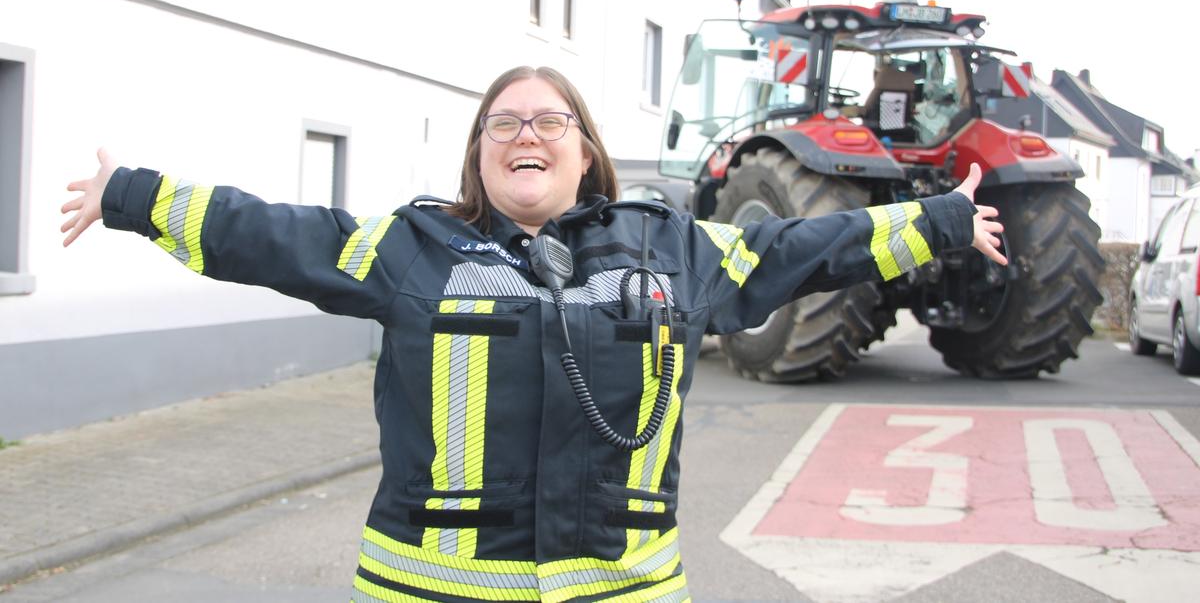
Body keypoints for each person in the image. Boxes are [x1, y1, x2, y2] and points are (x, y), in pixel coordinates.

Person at [61, 65, 1005, 602]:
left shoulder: (674, 246)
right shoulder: (409, 248)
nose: (527, 132)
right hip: (435, 590)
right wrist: (130, 196)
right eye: (503, 122)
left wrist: (942, 221)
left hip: (620, 591)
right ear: (478, 153)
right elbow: (268, 235)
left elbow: (801, 248)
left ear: (584, 149)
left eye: (550, 119)